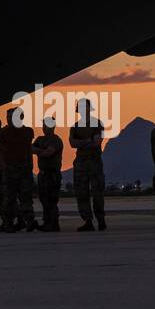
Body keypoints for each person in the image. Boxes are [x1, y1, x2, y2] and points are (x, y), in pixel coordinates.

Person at [0, 106, 38, 232]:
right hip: (10, 169)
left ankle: (30, 221)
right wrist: (3, 165)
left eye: (11, 117)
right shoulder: (4, 132)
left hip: (24, 169)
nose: (8, 119)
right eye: (7, 117)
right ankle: (8, 223)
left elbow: (27, 148)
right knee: (9, 198)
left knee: (26, 197)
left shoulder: (28, 131)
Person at [69, 99, 106, 231]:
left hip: (94, 161)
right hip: (81, 163)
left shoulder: (98, 124)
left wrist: (82, 142)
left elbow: (97, 142)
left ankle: (101, 220)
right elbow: (72, 143)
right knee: (81, 193)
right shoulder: (75, 127)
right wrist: (88, 140)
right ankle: (88, 221)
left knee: (98, 192)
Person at [32, 116, 64, 232]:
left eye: (47, 125)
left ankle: (53, 223)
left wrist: (39, 151)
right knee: (44, 199)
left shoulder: (56, 140)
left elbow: (49, 153)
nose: (45, 128)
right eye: (44, 125)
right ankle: (47, 222)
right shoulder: (40, 139)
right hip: (43, 174)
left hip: (52, 174)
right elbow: (31, 149)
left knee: (51, 199)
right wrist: (42, 151)